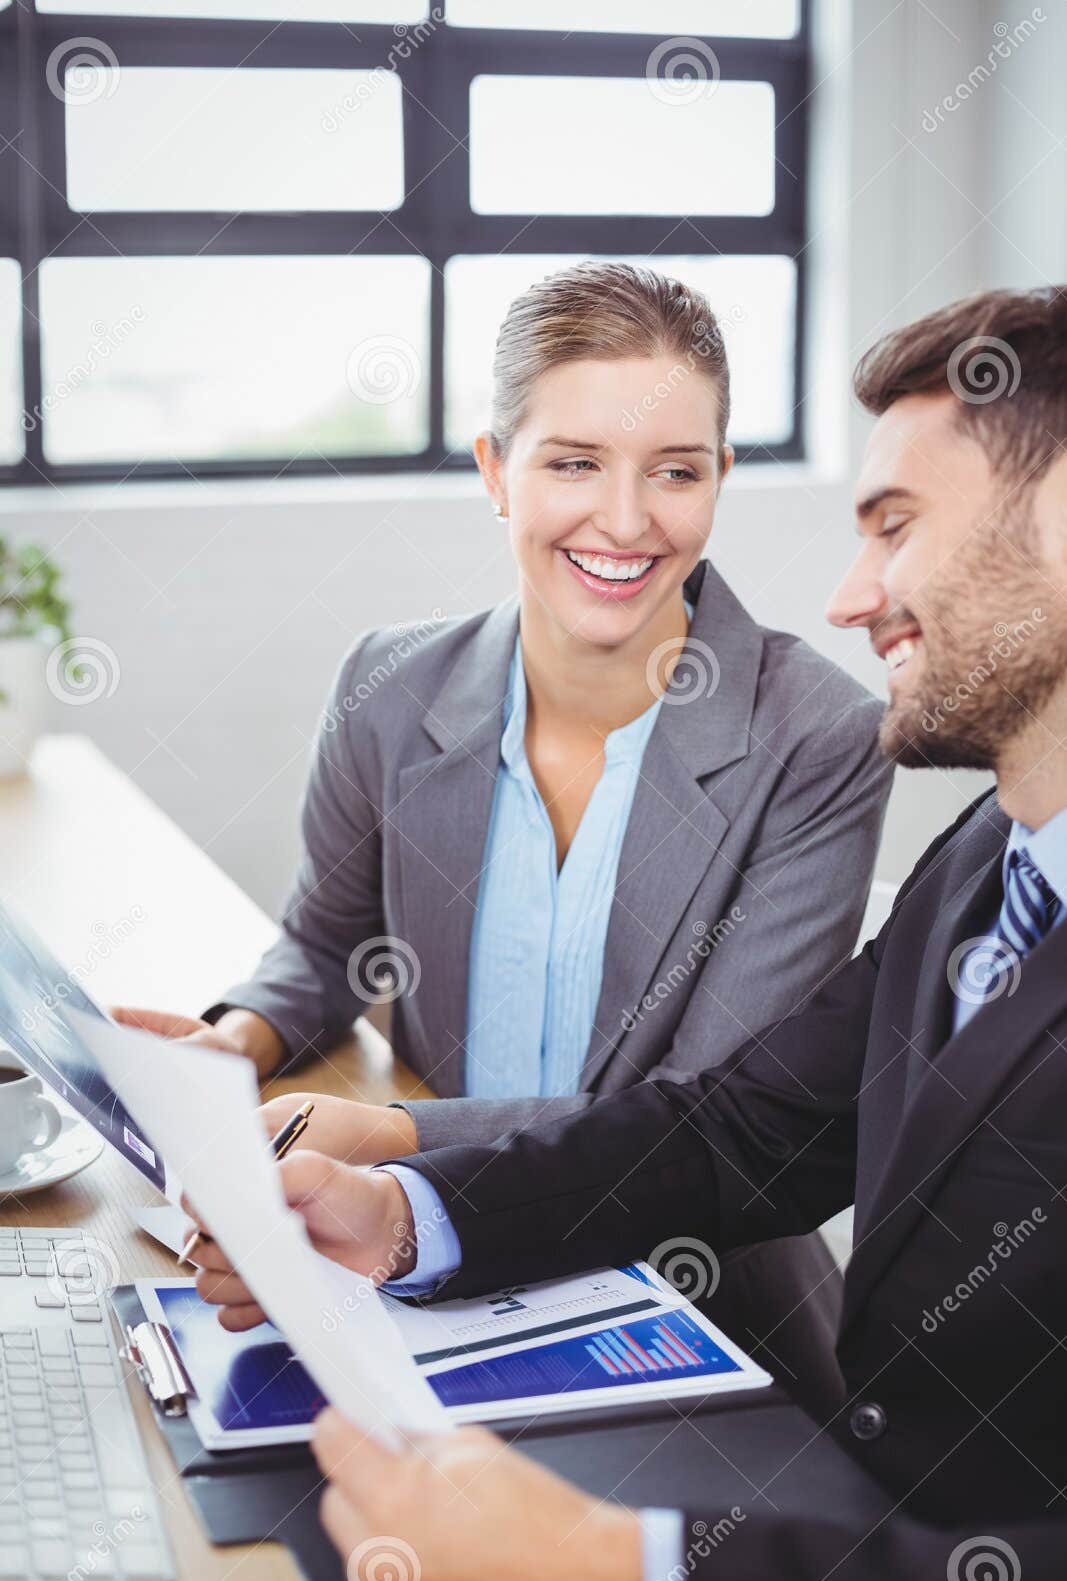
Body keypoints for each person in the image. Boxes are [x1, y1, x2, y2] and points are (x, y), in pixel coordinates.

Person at [192, 285, 1067, 1581]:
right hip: (853, 1523)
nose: (845, 596)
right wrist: (400, 1214)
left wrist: (618, 1566)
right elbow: (737, 1129)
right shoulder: (986, 863)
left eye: (893, 526)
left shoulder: (826, 747)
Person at [117, 262, 891, 1413]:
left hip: (689, 1295)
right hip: (396, 1266)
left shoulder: (817, 734)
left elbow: (710, 1111)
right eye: (572, 462)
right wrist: (240, 1040)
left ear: (718, 480)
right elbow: (330, 938)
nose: (624, 521)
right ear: (495, 469)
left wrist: (394, 1132)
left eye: (673, 472)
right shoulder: (387, 684)